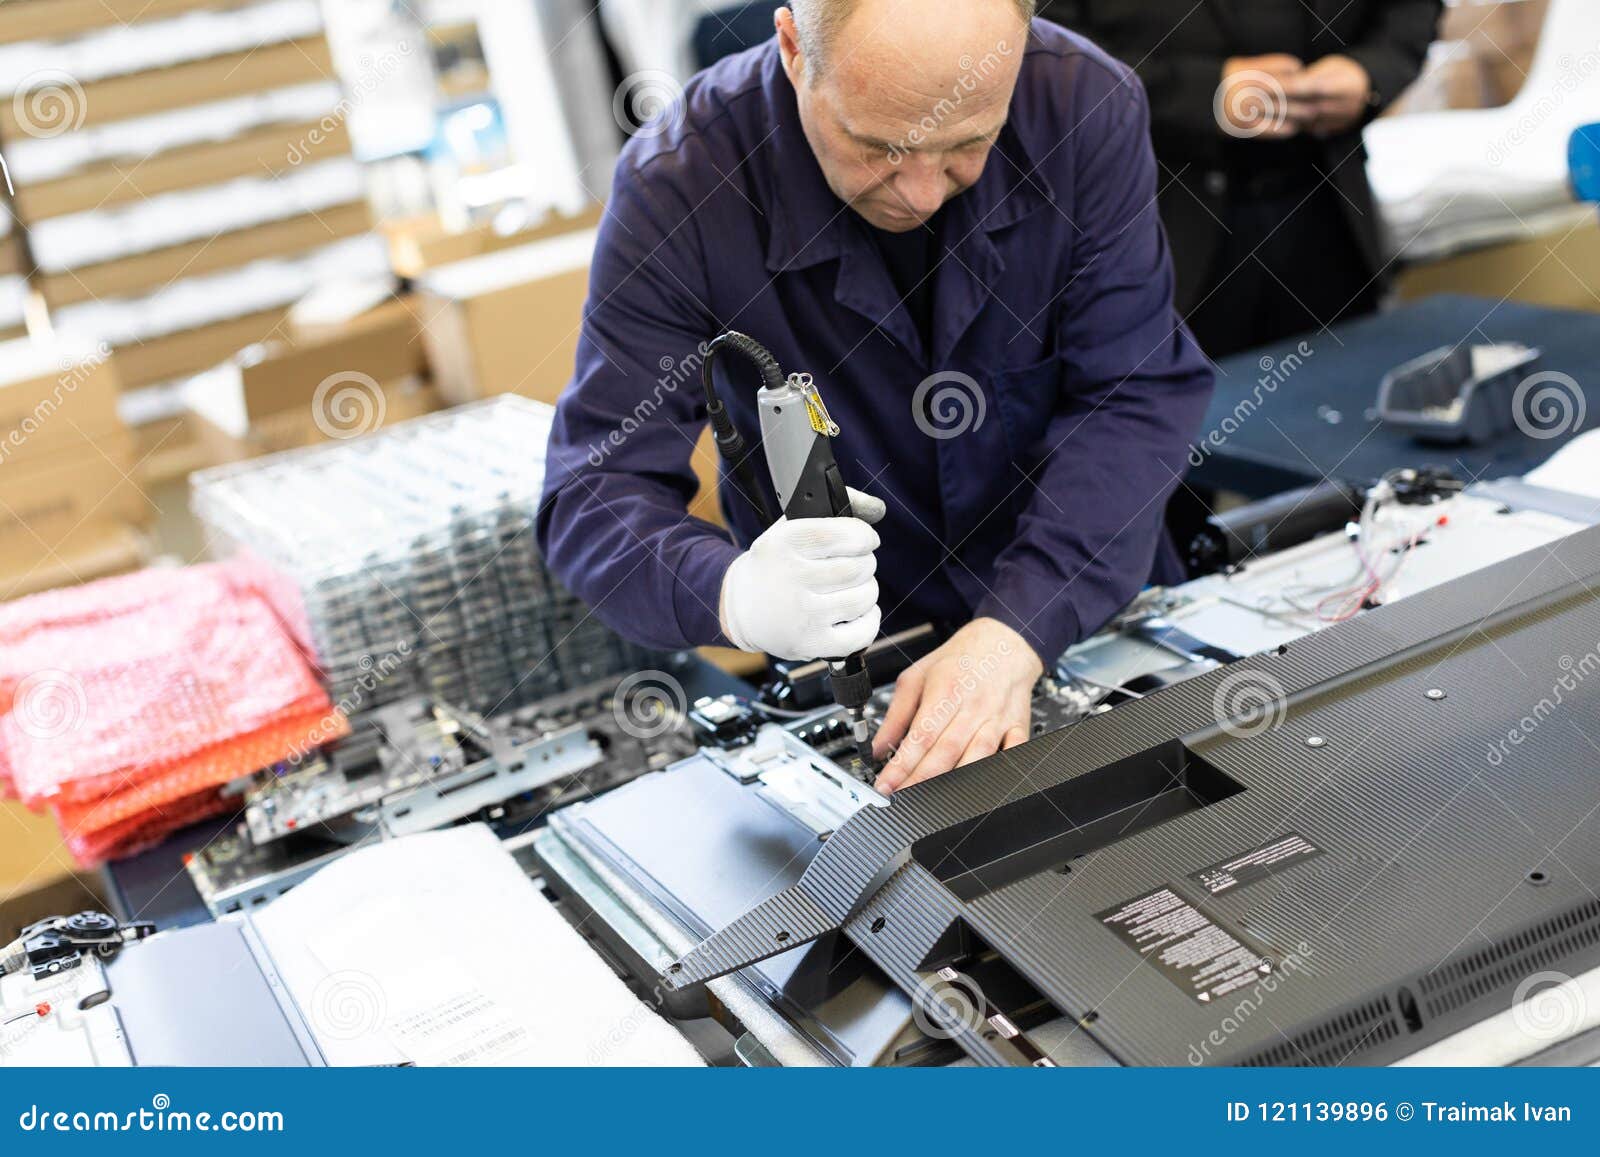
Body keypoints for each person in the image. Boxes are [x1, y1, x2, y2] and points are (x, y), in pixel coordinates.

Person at [537, 0, 1213, 794]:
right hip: (866, 673)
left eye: (969, 144)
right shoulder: (683, 183)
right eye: (878, 147)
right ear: (793, 48)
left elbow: (1131, 395)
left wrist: (1019, 628)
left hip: (1085, 609)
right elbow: (593, 492)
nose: (923, 193)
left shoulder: (1083, 105)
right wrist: (732, 594)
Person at [1038, 0, 1440, 357]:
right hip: (1158, 225)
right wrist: (1197, 94)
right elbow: (1040, 43)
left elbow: (1410, 12)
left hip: (1328, 210)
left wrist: (1370, 73)